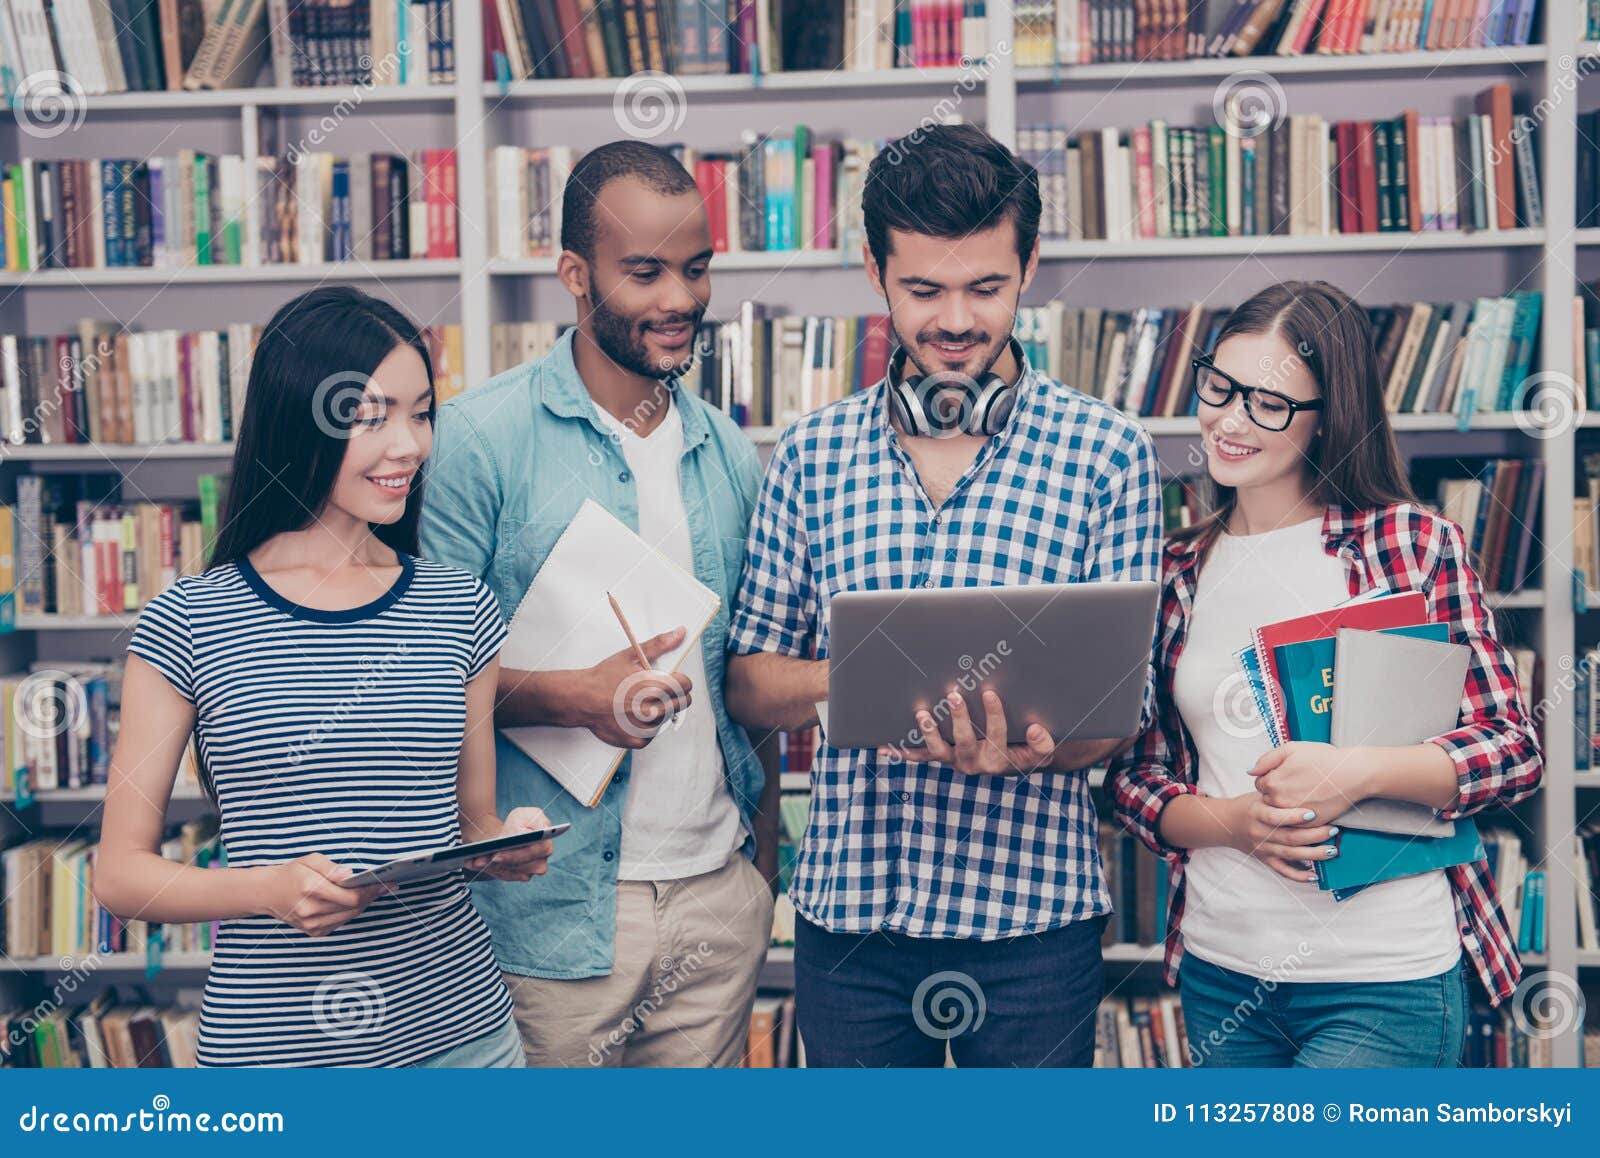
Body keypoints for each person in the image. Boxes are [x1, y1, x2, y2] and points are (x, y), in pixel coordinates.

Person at [725, 122, 1163, 1068]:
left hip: (1033, 925)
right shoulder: (810, 454)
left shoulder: (1109, 453)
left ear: (1030, 267)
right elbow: (749, 683)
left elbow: (1123, 712)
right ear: (875, 273)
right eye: (924, 290)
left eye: (986, 288)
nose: (956, 320)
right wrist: (859, 677)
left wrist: (1031, 754)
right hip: (853, 924)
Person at [95, 286, 553, 1068]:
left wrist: (507, 845)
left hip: (464, 1042)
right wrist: (268, 890)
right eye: (372, 417)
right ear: (298, 420)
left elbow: (470, 822)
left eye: (421, 414)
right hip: (276, 1055)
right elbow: (120, 875)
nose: (409, 445)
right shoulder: (190, 621)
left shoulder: (459, 607)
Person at [1109, 279, 1543, 1067]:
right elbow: (1137, 780)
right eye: (1219, 387)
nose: (1230, 420)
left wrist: (1355, 776)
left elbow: (1511, 749)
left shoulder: (1409, 544)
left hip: (1384, 979)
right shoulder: (1177, 569)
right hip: (1221, 972)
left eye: (1269, 404)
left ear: (1329, 417)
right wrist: (1237, 824)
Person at [420, 139, 777, 1068]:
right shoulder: (476, 442)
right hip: (551, 909)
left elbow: (748, 677)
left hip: (715, 898)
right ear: (575, 275)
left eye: (697, 268)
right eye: (645, 272)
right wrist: (571, 696)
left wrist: (759, 877)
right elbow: (420, 682)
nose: (680, 299)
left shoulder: (731, 456)